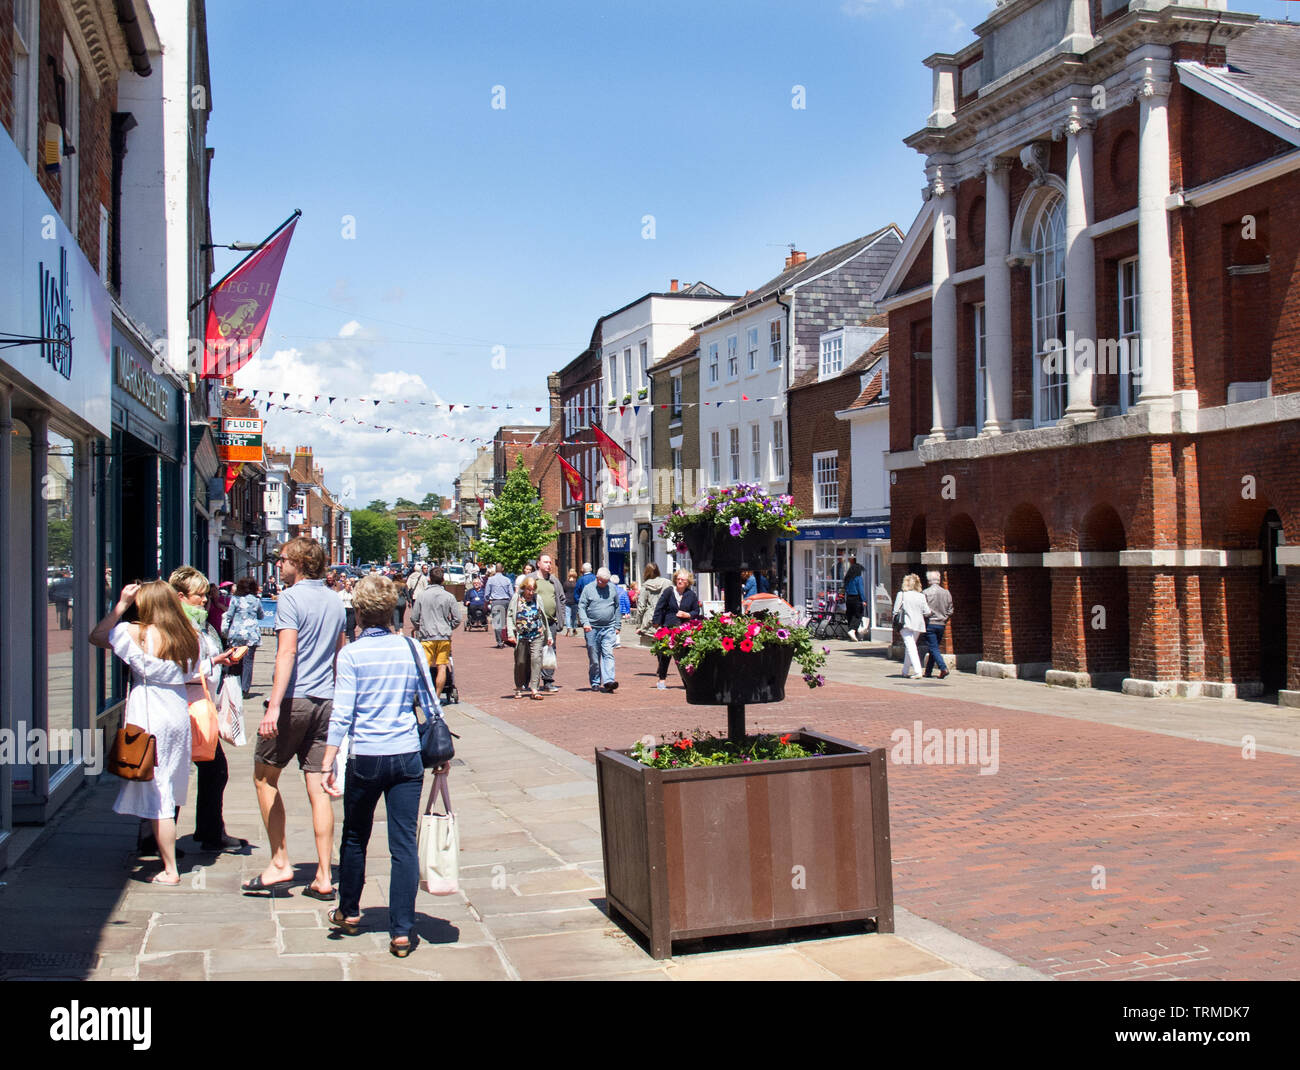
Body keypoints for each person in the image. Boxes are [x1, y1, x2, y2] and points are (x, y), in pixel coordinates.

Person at [322, 573, 442, 958]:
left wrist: (328, 758)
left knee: (355, 836)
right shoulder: (411, 649)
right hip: (407, 755)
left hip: (367, 757)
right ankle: (403, 930)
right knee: (403, 844)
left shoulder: (351, 655)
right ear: (394, 610)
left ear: (358, 612)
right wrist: (441, 758)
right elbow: (431, 703)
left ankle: (350, 910)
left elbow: (342, 714)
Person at [90, 581, 228, 883]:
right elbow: (198, 669)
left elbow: (97, 636)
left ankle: (170, 869)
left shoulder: (137, 633)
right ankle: (164, 856)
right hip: (177, 712)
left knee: (159, 792)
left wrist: (120, 606)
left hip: (150, 713)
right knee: (167, 784)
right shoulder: (187, 635)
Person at [246, 536, 346, 899]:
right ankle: (323, 875)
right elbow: (341, 653)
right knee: (319, 787)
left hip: (295, 700)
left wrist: (273, 706)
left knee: (264, 777)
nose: (278, 563)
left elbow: (285, 653)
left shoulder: (290, 598)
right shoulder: (335, 600)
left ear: (299, 563)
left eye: (282, 558)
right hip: (327, 702)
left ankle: (280, 862)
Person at [168, 566, 246, 853]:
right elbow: (176, 670)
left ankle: (209, 831)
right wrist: (214, 663)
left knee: (212, 771)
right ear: (180, 597)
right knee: (181, 773)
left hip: (200, 707)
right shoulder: (176, 627)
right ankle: (161, 838)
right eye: (198, 595)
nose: (205, 600)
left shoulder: (199, 624)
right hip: (186, 709)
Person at [410, 565, 463, 697]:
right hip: (443, 636)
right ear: (443, 580)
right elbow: (457, 618)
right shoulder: (449, 596)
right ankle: (437, 696)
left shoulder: (422, 596)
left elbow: (414, 617)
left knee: (424, 667)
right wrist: (448, 626)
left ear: (429, 579)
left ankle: (424, 694)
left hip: (426, 636)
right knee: (442, 666)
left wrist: (419, 627)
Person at [650, 569, 701, 688]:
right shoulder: (669, 591)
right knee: (665, 654)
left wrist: (687, 615)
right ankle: (662, 679)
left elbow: (696, 611)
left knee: (684, 655)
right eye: (678, 579)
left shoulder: (691, 595)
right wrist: (656, 622)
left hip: (684, 628)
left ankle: (686, 680)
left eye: (682, 579)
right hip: (669, 626)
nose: (680, 581)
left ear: (688, 582)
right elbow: (660, 607)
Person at [507, 576, 553, 700]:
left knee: (536, 660)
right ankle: (518, 686)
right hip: (521, 636)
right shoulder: (516, 598)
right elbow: (510, 615)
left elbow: (543, 617)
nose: (531, 593)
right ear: (524, 588)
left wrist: (548, 635)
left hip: (537, 634)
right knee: (520, 662)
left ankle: (534, 688)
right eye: (528, 590)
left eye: (533, 590)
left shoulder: (538, 599)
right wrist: (511, 634)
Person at [578, 566, 620, 692]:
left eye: (605, 582)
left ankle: (609, 681)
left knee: (608, 653)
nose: (603, 584)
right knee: (594, 657)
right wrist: (585, 623)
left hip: (608, 627)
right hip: (592, 628)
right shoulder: (588, 589)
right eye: (601, 581)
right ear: (596, 578)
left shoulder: (612, 588)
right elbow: (581, 607)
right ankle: (595, 680)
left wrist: (617, 625)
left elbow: (617, 607)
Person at [224, 577, 265, 697]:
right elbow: (261, 615)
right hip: (251, 633)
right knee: (248, 662)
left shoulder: (235, 599)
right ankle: (245, 688)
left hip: (236, 632)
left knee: (236, 659)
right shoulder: (256, 600)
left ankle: (234, 686)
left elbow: (229, 614)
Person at [534, 554, 566, 692]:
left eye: (550, 562)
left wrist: (561, 617)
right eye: (545, 562)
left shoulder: (554, 581)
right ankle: (532, 680)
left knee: (550, 650)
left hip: (551, 622)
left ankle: (548, 681)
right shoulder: (531, 579)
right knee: (534, 651)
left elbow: (562, 599)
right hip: (534, 623)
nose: (548, 565)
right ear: (538, 564)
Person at [893, 573, 931, 680]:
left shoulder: (902, 594)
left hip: (905, 623)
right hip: (918, 624)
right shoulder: (921, 596)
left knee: (911, 647)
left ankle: (918, 671)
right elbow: (927, 611)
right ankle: (905, 671)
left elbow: (895, 611)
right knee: (911, 646)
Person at [923, 570, 954, 679]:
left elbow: (924, 610)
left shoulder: (925, 593)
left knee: (934, 648)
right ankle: (928, 671)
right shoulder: (946, 593)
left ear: (929, 580)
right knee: (933, 647)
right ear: (939, 580)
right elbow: (950, 610)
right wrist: (945, 618)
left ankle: (943, 668)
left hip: (930, 623)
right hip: (941, 624)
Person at [635, 563, 669, 647]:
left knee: (649, 649)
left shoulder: (645, 586)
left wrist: (639, 625)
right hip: (664, 618)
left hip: (649, 620)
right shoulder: (667, 583)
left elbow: (641, 607)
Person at [484, 563, 513, 648]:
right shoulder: (507, 580)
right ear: (502, 569)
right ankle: (506, 639)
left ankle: (500, 641)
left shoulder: (491, 580)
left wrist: (486, 601)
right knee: (506, 622)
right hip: (506, 601)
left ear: (495, 570)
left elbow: (486, 593)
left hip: (496, 601)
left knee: (498, 623)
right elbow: (511, 593)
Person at [844, 556, 866, 642]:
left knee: (850, 615)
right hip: (857, 598)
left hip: (849, 598)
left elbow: (845, 589)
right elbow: (860, 590)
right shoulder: (858, 578)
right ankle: (853, 630)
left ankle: (852, 633)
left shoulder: (848, 579)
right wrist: (864, 600)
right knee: (858, 615)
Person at [562, 569, 579, 636]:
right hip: (574, 601)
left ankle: (568, 628)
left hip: (567, 600)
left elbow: (564, 591)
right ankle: (574, 628)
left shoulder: (566, 583)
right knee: (574, 616)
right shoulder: (576, 583)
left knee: (567, 615)